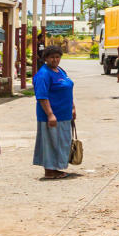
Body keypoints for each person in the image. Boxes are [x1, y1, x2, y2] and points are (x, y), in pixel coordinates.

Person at [32, 45, 76, 180]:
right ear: (46, 58)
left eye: (57, 57)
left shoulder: (60, 71)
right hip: (52, 116)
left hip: (64, 115)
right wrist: (50, 114)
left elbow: (67, 89)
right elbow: (42, 96)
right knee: (51, 142)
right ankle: (50, 171)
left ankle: (55, 167)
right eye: (52, 57)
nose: (55, 60)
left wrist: (73, 107)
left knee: (62, 142)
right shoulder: (43, 74)